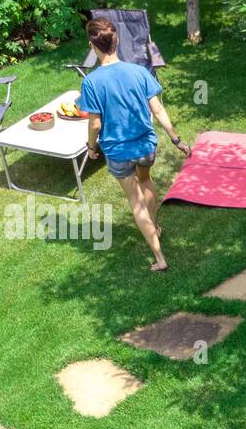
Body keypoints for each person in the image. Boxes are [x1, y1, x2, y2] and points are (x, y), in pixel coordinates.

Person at [77, 17, 191, 271]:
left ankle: (160, 258)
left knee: (135, 201)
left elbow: (95, 124)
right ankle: (156, 227)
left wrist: (92, 148)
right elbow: (159, 111)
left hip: (118, 151)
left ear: (92, 46)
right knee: (146, 181)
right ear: (116, 41)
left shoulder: (92, 82)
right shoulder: (140, 72)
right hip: (145, 146)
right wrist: (176, 140)